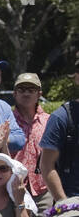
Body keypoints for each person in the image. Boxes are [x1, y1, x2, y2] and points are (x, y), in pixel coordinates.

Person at [38, 56, 79, 202]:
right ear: (77, 78)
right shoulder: (61, 117)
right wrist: (65, 206)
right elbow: (46, 166)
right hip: (73, 205)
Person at [10, 72, 50, 205]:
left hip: (44, 189)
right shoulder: (7, 120)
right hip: (13, 188)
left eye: (31, 90)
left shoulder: (49, 121)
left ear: (39, 94)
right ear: (14, 94)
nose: (26, 94)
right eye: (21, 90)